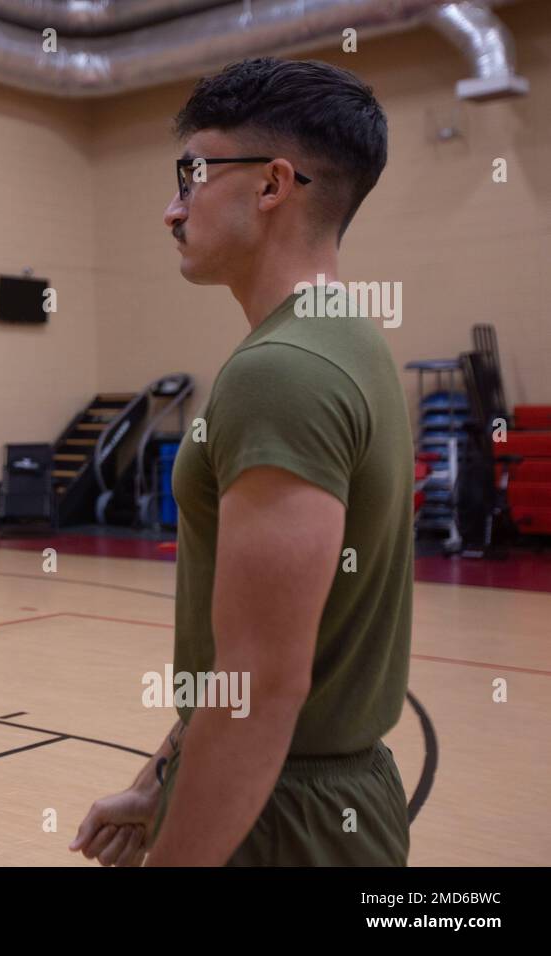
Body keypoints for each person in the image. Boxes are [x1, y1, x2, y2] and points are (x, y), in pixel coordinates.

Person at [71, 58, 412, 866]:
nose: (171, 208)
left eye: (192, 175)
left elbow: (260, 689)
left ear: (271, 186)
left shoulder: (281, 371)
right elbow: (254, 658)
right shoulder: (345, 335)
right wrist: (164, 777)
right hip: (298, 799)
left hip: (282, 820)